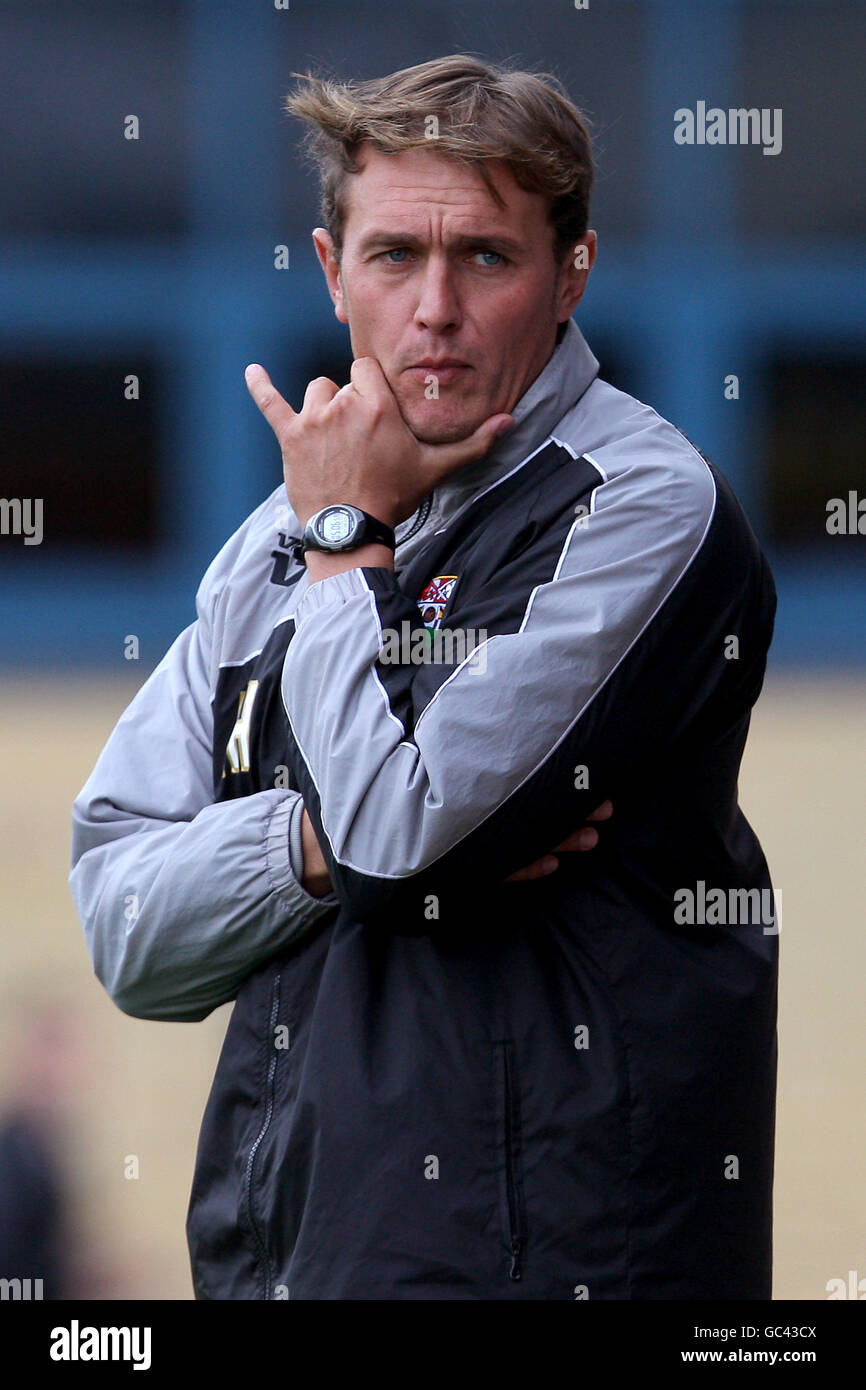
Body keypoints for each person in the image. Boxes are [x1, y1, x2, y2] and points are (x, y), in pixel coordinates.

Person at [70, 55, 778, 1300]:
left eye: (487, 259)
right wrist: (305, 848)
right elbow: (127, 931)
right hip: (286, 1266)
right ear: (333, 269)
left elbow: (403, 842)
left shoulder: (642, 503)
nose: (434, 310)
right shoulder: (267, 544)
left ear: (570, 275)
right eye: (395, 256)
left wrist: (345, 544)